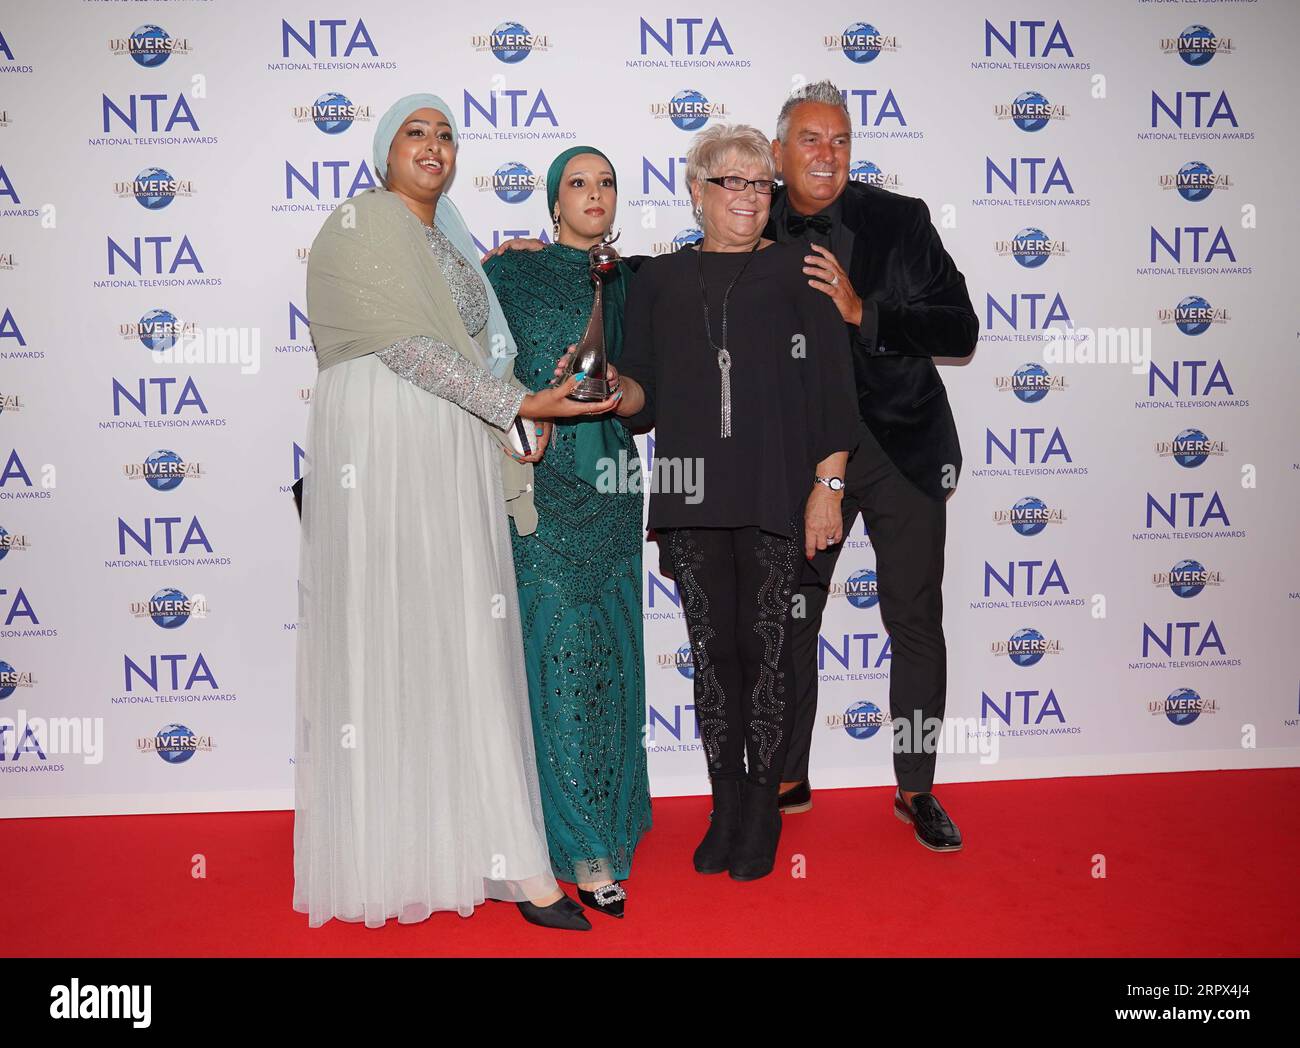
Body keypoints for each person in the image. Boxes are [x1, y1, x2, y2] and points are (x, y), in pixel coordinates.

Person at [294, 93, 619, 932]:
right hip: (386, 446)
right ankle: (391, 852)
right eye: (416, 132)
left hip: (451, 446)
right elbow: (405, 347)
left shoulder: (459, 245)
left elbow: (486, 351)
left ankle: (491, 848)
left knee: (460, 638)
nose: (433, 145)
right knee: (394, 635)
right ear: (383, 150)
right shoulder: (358, 225)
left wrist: (516, 417)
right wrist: (516, 407)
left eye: (445, 133)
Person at [612, 124, 858, 882]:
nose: (752, 196)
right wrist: (614, 392)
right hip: (688, 488)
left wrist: (830, 486)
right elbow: (644, 394)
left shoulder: (800, 271)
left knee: (767, 653)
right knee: (715, 657)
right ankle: (723, 805)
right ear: (696, 191)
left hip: (776, 489)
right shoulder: (657, 280)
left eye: (762, 183)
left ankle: (761, 808)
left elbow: (832, 392)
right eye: (734, 182)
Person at [764, 81, 978, 851]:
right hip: (801, 455)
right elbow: (682, 285)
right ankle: (787, 776)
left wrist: (866, 312)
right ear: (779, 150)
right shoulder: (753, 218)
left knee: (915, 620)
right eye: (811, 140)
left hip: (901, 449)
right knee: (791, 615)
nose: (828, 154)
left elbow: (959, 328)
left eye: (840, 140)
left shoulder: (900, 220)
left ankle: (916, 789)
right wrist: (571, 259)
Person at [481, 147, 652, 919]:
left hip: (614, 487)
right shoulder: (511, 274)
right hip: (543, 487)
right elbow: (479, 368)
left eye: (606, 182)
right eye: (578, 183)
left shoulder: (635, 281)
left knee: (611, 662)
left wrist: (623, 390)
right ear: (554, 202)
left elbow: (652, 393)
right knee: (554, 663)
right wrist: (531, 402)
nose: (594, 194)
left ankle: (610, 835)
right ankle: (573, 846)